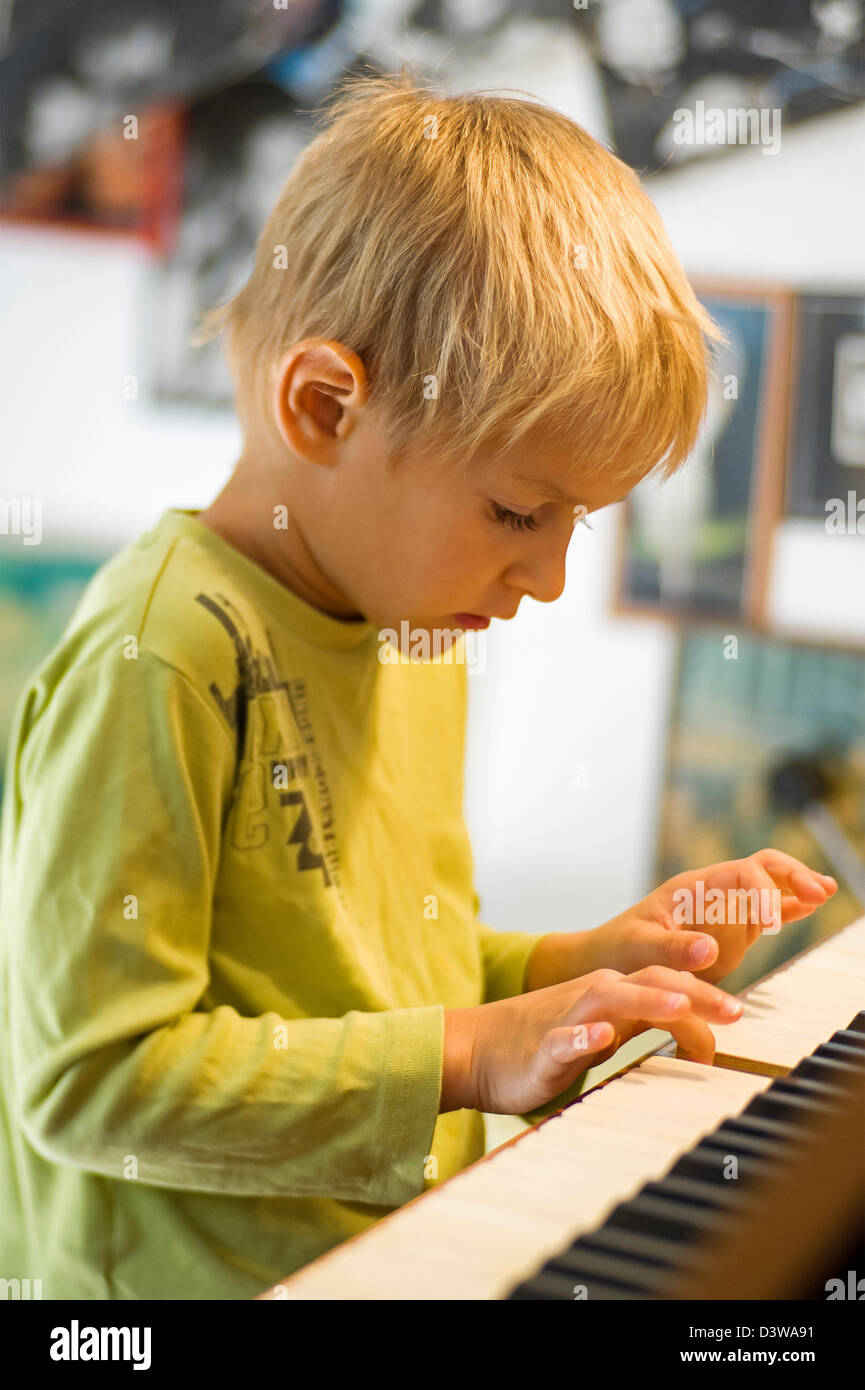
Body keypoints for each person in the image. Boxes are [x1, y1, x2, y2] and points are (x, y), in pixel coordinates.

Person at [0, 71, 836, 1300]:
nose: (547, 577)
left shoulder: (417, 632)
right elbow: (88, 1085)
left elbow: (383, 972)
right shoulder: (164, 655)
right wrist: (467, 1052)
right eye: (518, 512)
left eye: (574, 523)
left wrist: (571, 968)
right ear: (324, 407)